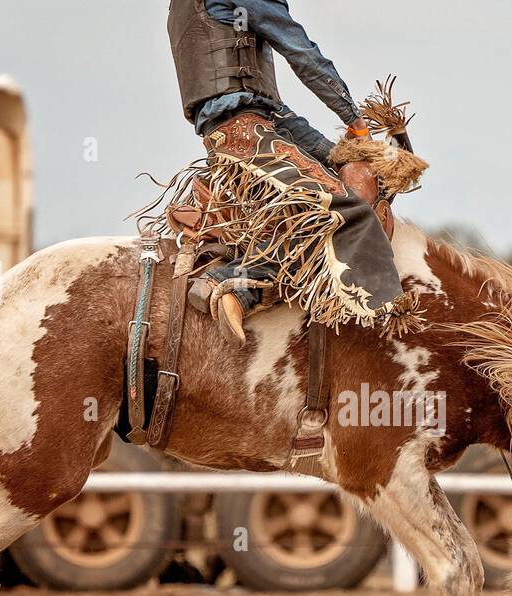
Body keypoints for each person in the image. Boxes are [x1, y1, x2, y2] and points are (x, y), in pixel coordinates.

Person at [166, 0, 408, 343]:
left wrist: (342, 153)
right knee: (345, 208)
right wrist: (355, 123)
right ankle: (236, 283)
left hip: (249, 126)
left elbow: (262, 104)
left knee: (356, 176)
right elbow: (302, 53)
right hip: (246, 134)